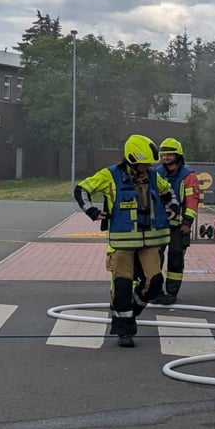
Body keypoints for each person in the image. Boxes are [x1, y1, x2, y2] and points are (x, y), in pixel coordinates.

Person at [74, 134, 180, 348]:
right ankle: (125, 330)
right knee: (122, 286)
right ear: (133, 158)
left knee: (155, 281)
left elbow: (167, 191)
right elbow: (81, 189)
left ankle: (134, 307)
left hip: (149, 241)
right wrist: (92, 211)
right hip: (122, 243)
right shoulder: (110, 175)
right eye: (144, 162)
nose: (148, 166)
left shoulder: (151, 176)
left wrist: (173, 207)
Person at [155, 137, 200, 305]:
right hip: (159, 225)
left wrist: (187, 223)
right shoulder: (157, 173)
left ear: (178, 155)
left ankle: (172, 292)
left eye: (170, 154)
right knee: (154, 259)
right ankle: (155, 291)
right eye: (164, 154)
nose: (166, 157)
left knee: (176, 258)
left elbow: (192, 201)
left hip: (179, 226)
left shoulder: (188, 176)